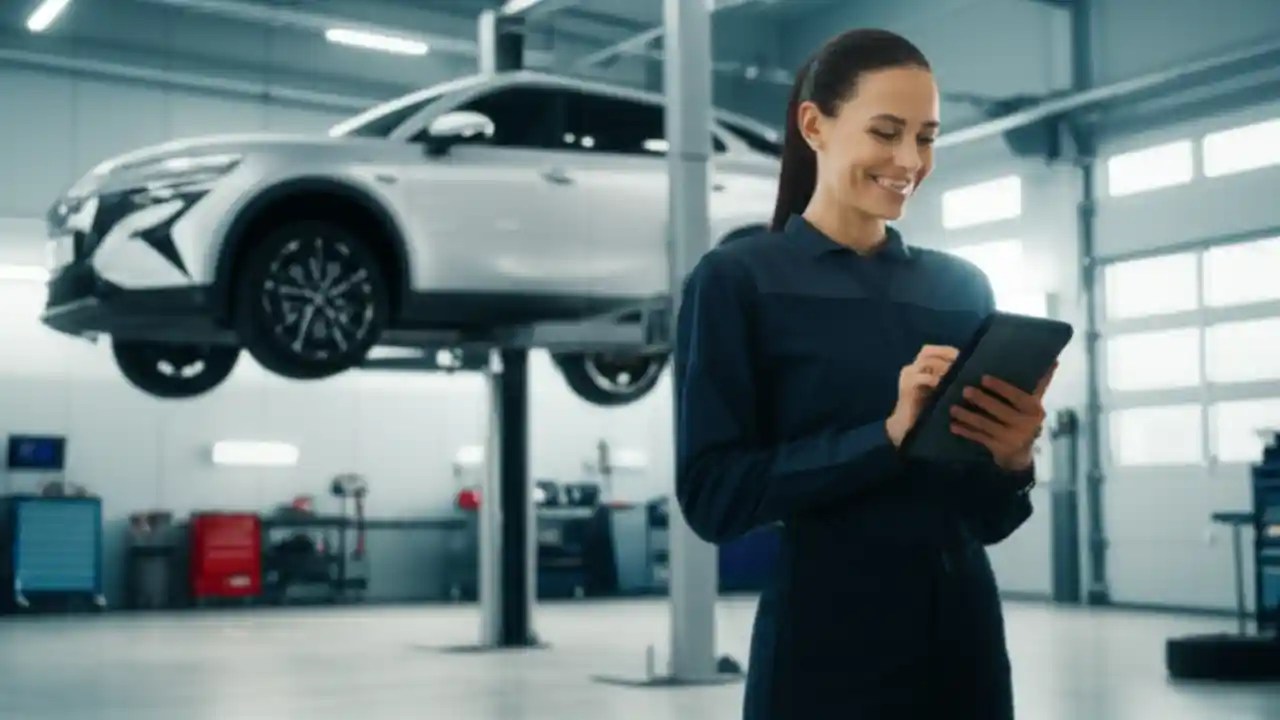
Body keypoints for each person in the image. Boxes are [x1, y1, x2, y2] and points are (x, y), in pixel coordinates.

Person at [673, 28, 1058, 720]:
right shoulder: (738, 281)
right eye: (886, 132)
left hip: (963, 641)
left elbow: (988, 520)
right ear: (814, 125)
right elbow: (713, 497)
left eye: (927, 137)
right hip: (824, 647)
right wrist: (885, 434)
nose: (909, 160)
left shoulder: (961, 287)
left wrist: (1012, 461)